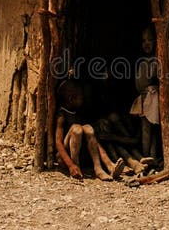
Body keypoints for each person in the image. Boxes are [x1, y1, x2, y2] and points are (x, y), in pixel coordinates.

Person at [55, 79, 123, 182]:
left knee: (88, 128)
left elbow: (94, 142)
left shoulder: (78, 112)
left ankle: (99, 169)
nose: (83, 99)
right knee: (76, 129)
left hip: (82, 154)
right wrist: (71, 165)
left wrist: (107, 162)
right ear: (71, 99)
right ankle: (76, 167)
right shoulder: (62, 115)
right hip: (66, 157)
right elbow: (58, 143)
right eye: (81, 97)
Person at [130, 25, 160, 159]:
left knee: (151, 129)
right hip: (143, 97)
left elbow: (154, 76)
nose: (146, 43)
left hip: (151, 97)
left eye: (150, 40)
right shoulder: (142, 60)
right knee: (146, 129)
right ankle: (148, 157)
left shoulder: (156, 60)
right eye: (143, 41)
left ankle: (150, 156)